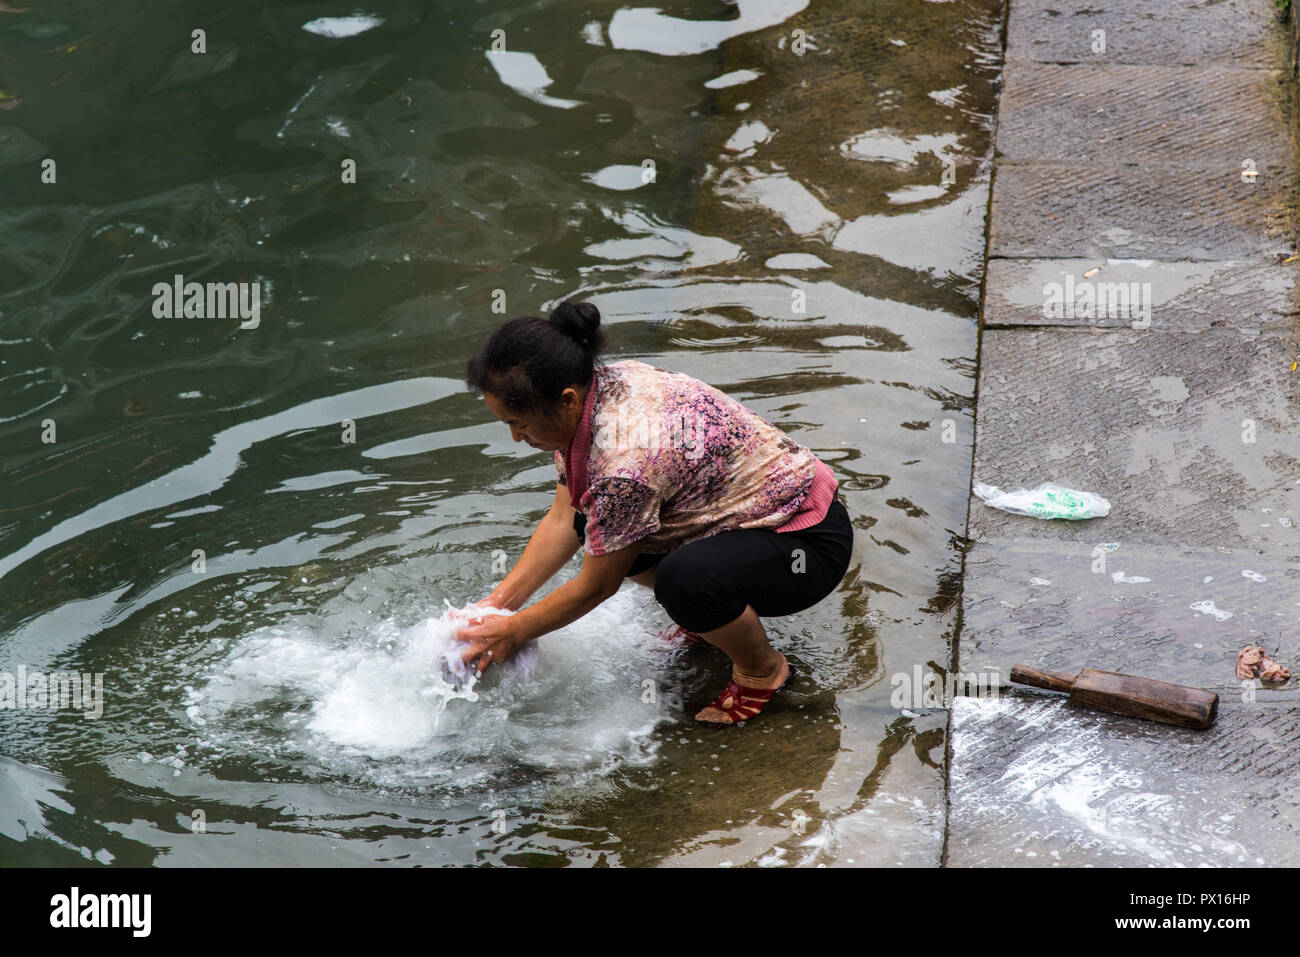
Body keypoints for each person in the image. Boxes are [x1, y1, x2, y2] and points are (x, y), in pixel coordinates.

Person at [456, 300, 853, 725]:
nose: (517, 437)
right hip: (739, 518)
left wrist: (515, 632)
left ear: (567, 400)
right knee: (594, 523)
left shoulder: (625, 461)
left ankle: (762, 669)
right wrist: (498, 606)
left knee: (683, 581)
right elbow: (562, 520)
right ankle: (709, 622)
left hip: (805, 543)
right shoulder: (600, 387)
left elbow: (597, 586)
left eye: (519, 422)